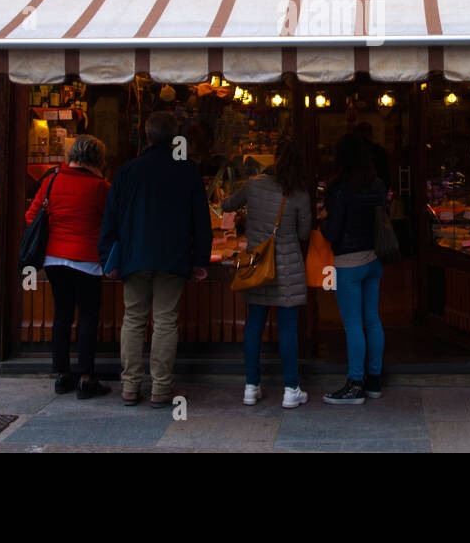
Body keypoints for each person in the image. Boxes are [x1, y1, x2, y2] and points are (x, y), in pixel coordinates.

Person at [99, 111, 212, 408]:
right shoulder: (187, 171)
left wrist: (106, 258)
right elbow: (201, 220)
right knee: (165, 321)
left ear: (146, 136)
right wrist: (201, 259)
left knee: (133, 320)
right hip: (172, 256)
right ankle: (161, 388)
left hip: (134, 255)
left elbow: (110, 218)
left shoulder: (126, 171)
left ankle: (130, 386)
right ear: (176, 137)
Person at [221, 138, 313, 409]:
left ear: (275, 157)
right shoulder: (299, 193)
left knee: (254, 326)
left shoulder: (254, 184)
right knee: (288, 330)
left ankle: (251, 386)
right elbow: (304, 233)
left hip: (258, 265)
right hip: (288, 269)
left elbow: (228, 205)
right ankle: (290, 389)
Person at [26, 134, 112, 399]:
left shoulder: (51, 181)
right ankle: (86, 377)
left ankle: (62, 374)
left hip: (54, 259)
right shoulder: (101, 188)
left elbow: (31, 216)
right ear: (98, 159)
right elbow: (110, 224)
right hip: (87, 260)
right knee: (88, 316)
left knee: (62, 314)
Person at [321, 133, 388, 405]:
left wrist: (323, 222)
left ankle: (355, 384)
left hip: (348, 263)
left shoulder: (340, 188)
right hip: (374, 260)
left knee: (353, 325)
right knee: (372, 319)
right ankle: (374, 381)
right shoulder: (377, 184)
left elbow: (333, 231)